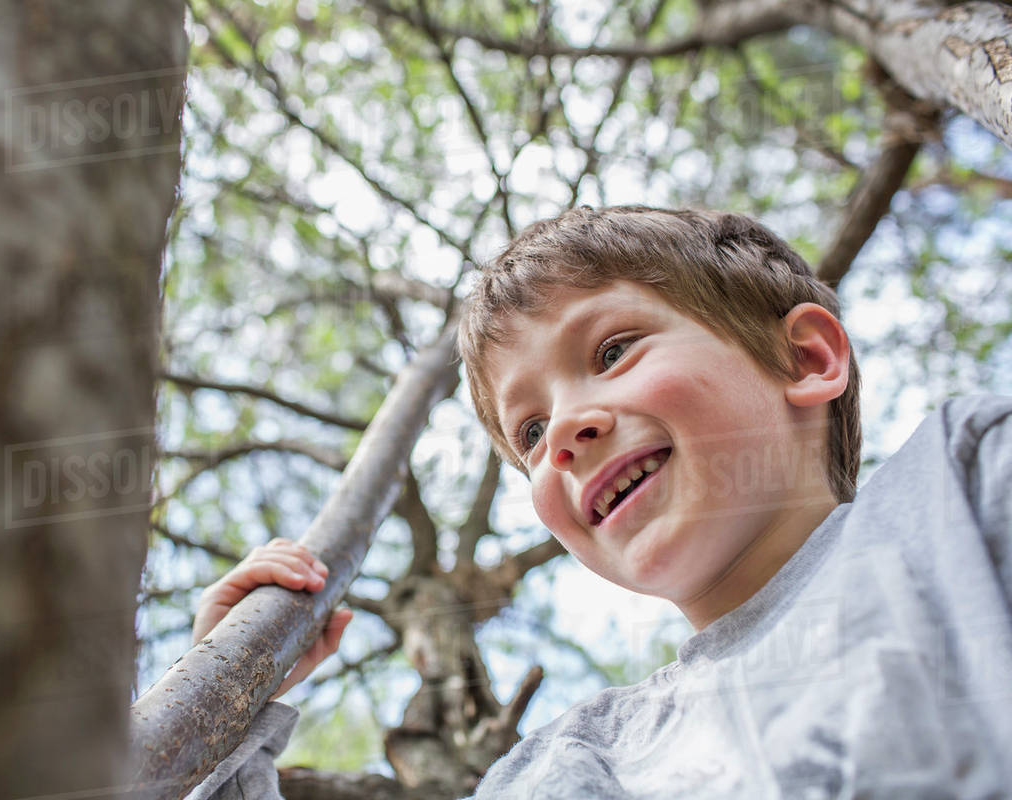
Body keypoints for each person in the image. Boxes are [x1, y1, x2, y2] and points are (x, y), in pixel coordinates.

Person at [190, 205, 1012, 798]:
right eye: (531, 431)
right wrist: (223, 725)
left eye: (613, 350)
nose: (566, 432)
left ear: (804, 358)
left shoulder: (962, 485)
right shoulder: (573, 765)